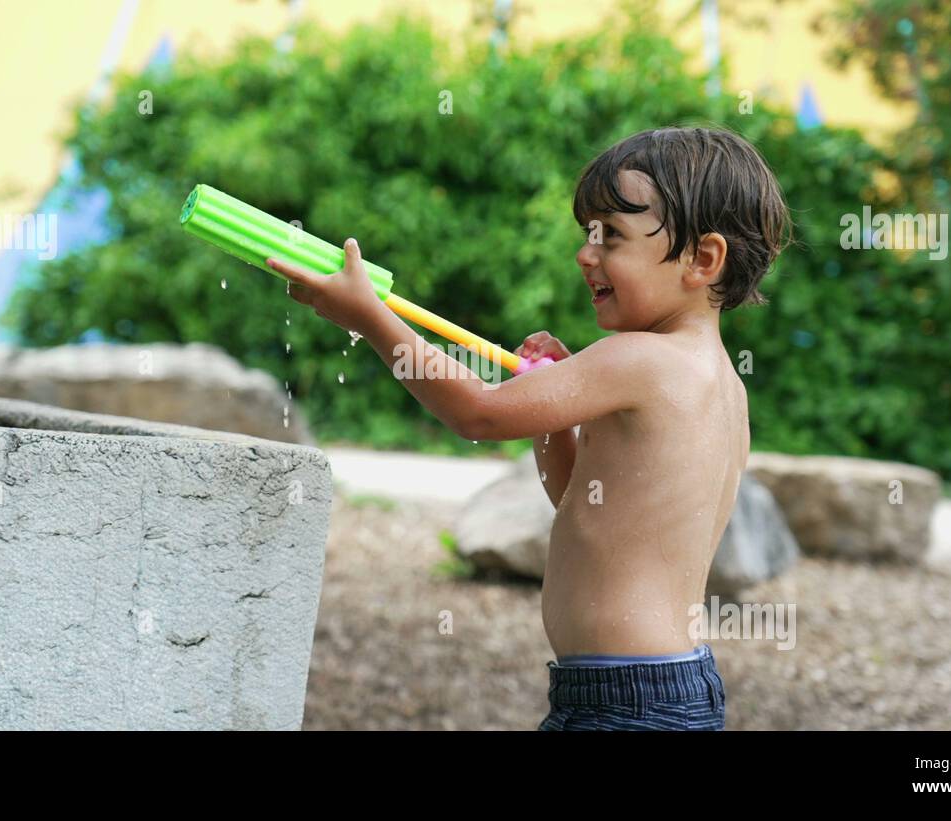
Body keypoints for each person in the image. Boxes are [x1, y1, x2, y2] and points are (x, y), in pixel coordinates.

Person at [267, 125, 789, 730]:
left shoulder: (639, 359)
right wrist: (555, 419)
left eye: (611, 236)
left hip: (623, 701)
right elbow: (579, 505)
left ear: (702, 259)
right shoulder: (724, 387)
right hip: (663, 687)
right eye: (588, 235)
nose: (586, 255)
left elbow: (478, 411)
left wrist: (372, 317)